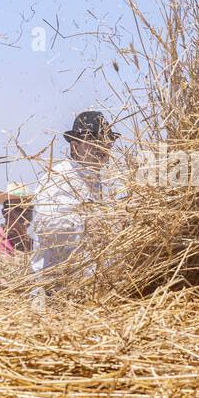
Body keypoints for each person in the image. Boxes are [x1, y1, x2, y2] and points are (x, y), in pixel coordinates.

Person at [31, 111, 118, 275]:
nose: (101, 146)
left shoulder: (97, 181)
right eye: (93, 140)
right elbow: (46, 226)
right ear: (75, 145)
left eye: (106, 141)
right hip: (55, 288)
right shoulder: (59, 176)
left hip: (84, 287)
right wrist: (85, 224)